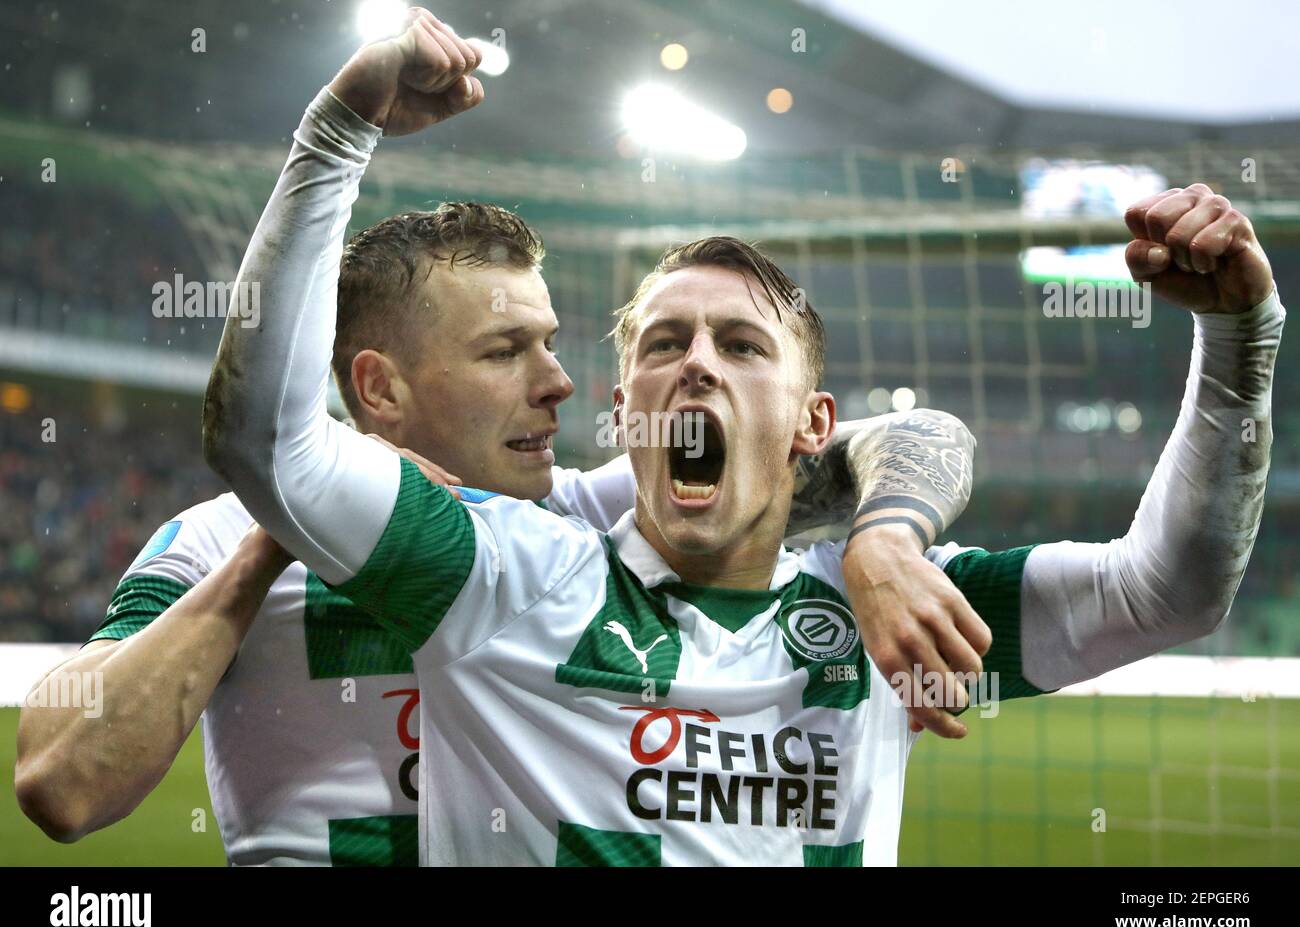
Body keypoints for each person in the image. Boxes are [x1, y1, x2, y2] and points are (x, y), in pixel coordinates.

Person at [201, 10, 1281, 865]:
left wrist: (1239, 335)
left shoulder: (879, 620)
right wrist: (336, 134)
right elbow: (269, 445)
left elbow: (1167, 589)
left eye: (741, 344)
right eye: (664, 341)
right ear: (625, 416)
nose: (699, 360)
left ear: (816, 423)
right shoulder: (504, 572)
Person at [15, 56, 981, 868]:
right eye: (504, 352)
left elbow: (893, 440)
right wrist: (280, 532)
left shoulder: (590, 518)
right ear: (380, 390)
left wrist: (887, 538)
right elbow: (62, 785)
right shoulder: (213, 539)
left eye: (553, 343)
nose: (559, 384)